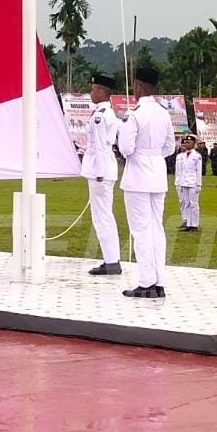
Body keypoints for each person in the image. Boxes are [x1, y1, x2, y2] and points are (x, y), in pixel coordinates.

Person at [117, 67, 176, 298]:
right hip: (158, 174)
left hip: (138, 177)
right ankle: (158, 281)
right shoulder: (164, 113)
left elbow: (125, 148)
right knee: (156, 228)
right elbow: (170, 146)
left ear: (139, 87)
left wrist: (140, 156)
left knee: (141, 230)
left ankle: (146, 282)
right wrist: (152, 157)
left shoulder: (135, 114)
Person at [81, 74, 122, 276]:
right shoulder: (107, 112)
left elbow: (98, 146)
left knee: (102, 217)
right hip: (105, 168)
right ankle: (111, 259)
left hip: (101, 169)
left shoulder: (99, 115)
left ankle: (111, 261)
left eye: (93, 89)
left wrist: (98, 172)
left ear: (101, 91)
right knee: (105, 216)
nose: (91, 93)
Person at [175, 135, 202, 233]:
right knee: (186, 203)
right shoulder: (182, 156)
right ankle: (189, 224)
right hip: (184, 182)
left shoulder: (197, 156)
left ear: (194, 144)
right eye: (185, 143)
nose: (186, 144)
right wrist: (179, 183)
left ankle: (194, 224)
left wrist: (198, 184)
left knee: (193, 204)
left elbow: (198, 171)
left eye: (189, 143)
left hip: (193, 182)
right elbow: (180, 171)